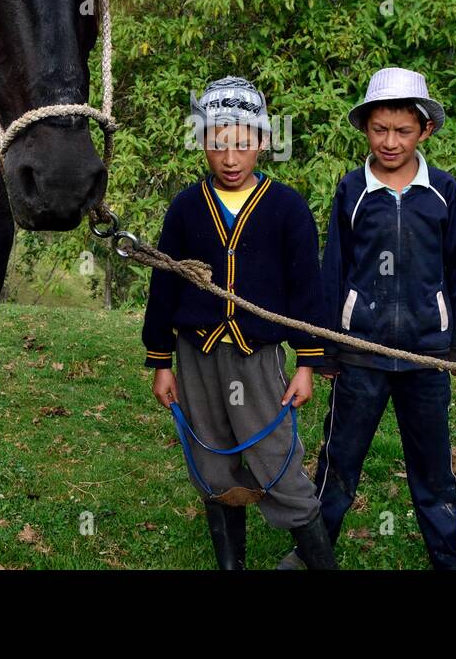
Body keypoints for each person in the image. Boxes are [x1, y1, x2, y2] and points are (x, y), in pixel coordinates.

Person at [141, 76, 338, 569]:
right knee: (212, 462)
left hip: (258, 360)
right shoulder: (187, 207)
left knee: (276, 461)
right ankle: (232, 564)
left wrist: (307, 364)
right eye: (218, 144)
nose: (230, 159)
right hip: (196, 356)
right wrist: (161, 362)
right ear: (203, 143)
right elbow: (164, 288)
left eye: (243, 144)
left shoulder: (287, 207)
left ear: (264, 142)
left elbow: (305, 292)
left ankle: (321, 563)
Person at [290, 66, 456, 569]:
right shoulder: (351, 190)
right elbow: (334, 269)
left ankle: (448, 558)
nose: (390, 141)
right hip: (361, 355)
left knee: (433, 470)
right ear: (365, 129)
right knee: (339, 462)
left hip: (426, 358)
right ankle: (314, 552)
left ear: (425, 131)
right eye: (380, 129)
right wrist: (327, 347)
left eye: (402, 131)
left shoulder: (443, 191)